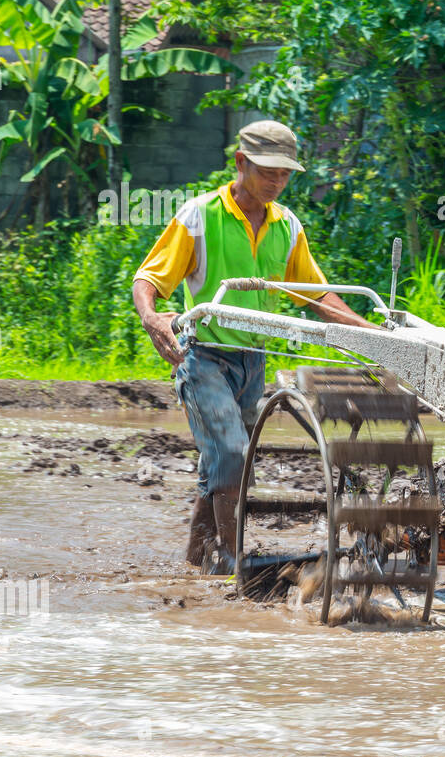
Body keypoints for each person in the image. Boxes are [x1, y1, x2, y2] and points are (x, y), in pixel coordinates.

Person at [132, 120, 377, 571]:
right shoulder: (200, 216)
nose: (278, 182)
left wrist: (368, 331)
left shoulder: (287, 227)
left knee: (222, 465)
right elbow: (149, 277)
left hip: (252, 364)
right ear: (241, 163)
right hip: (203, 358)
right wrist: (152, 318)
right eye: (269, 172)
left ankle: (195, 558)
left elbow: (316, 292)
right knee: (230, 452)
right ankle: (230, 556)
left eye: (285, 174)